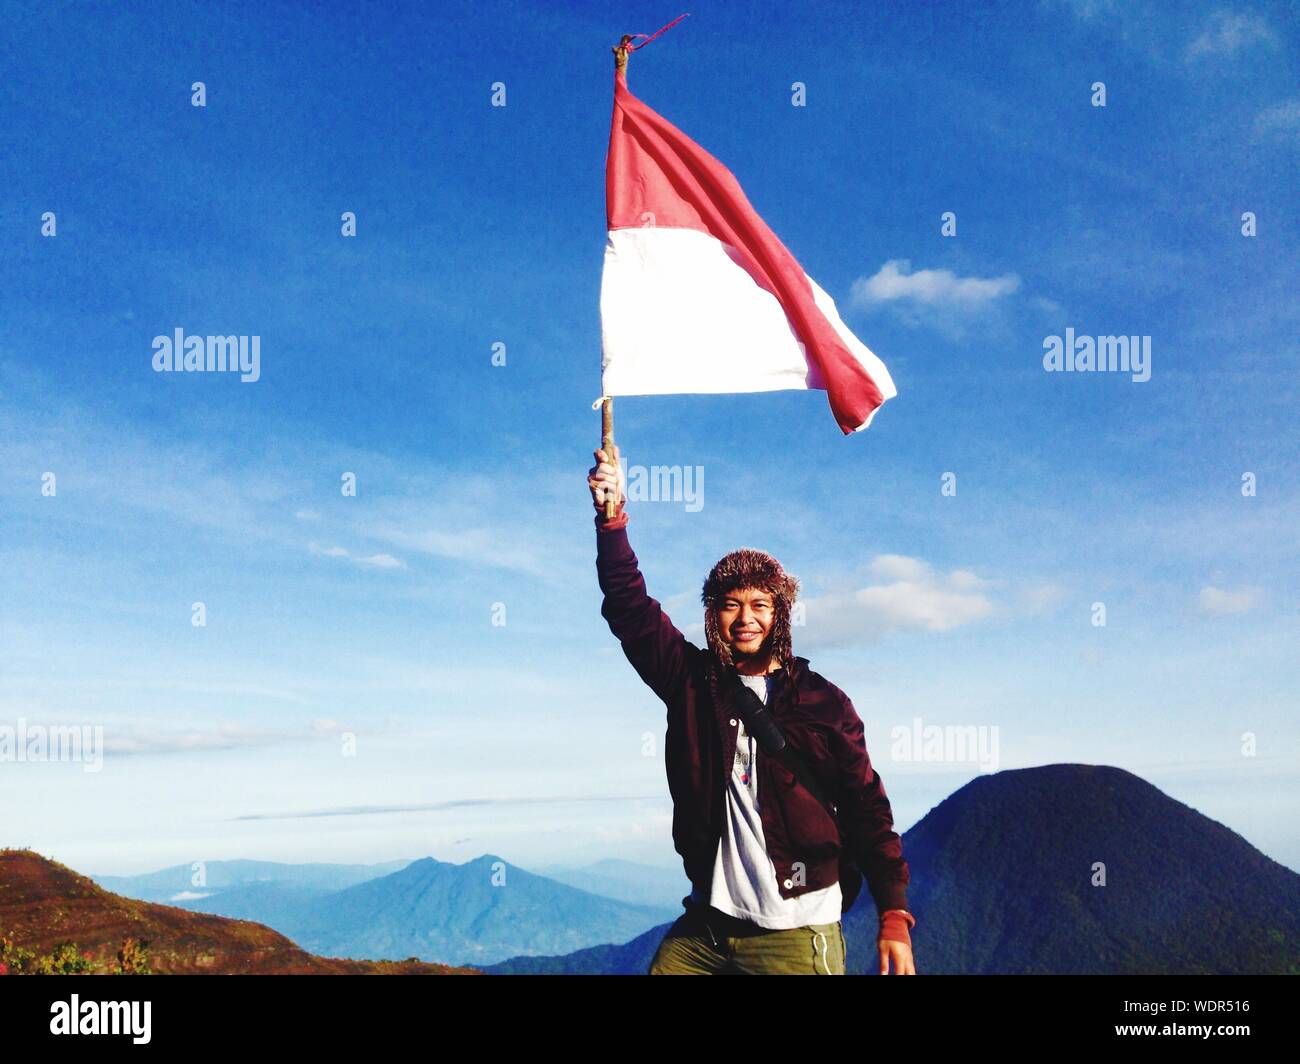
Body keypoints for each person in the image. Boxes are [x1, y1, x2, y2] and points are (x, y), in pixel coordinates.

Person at [588, 444, 917, 975]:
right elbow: (628, 605)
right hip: (708, 925)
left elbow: (866, 807)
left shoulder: (822, 703)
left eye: (760, 604)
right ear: (712, 614)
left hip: (795, 933)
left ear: (781, 615)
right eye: (729, 603)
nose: (745, 618)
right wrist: (612, 518)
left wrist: (894, 912)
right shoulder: (691, 682)